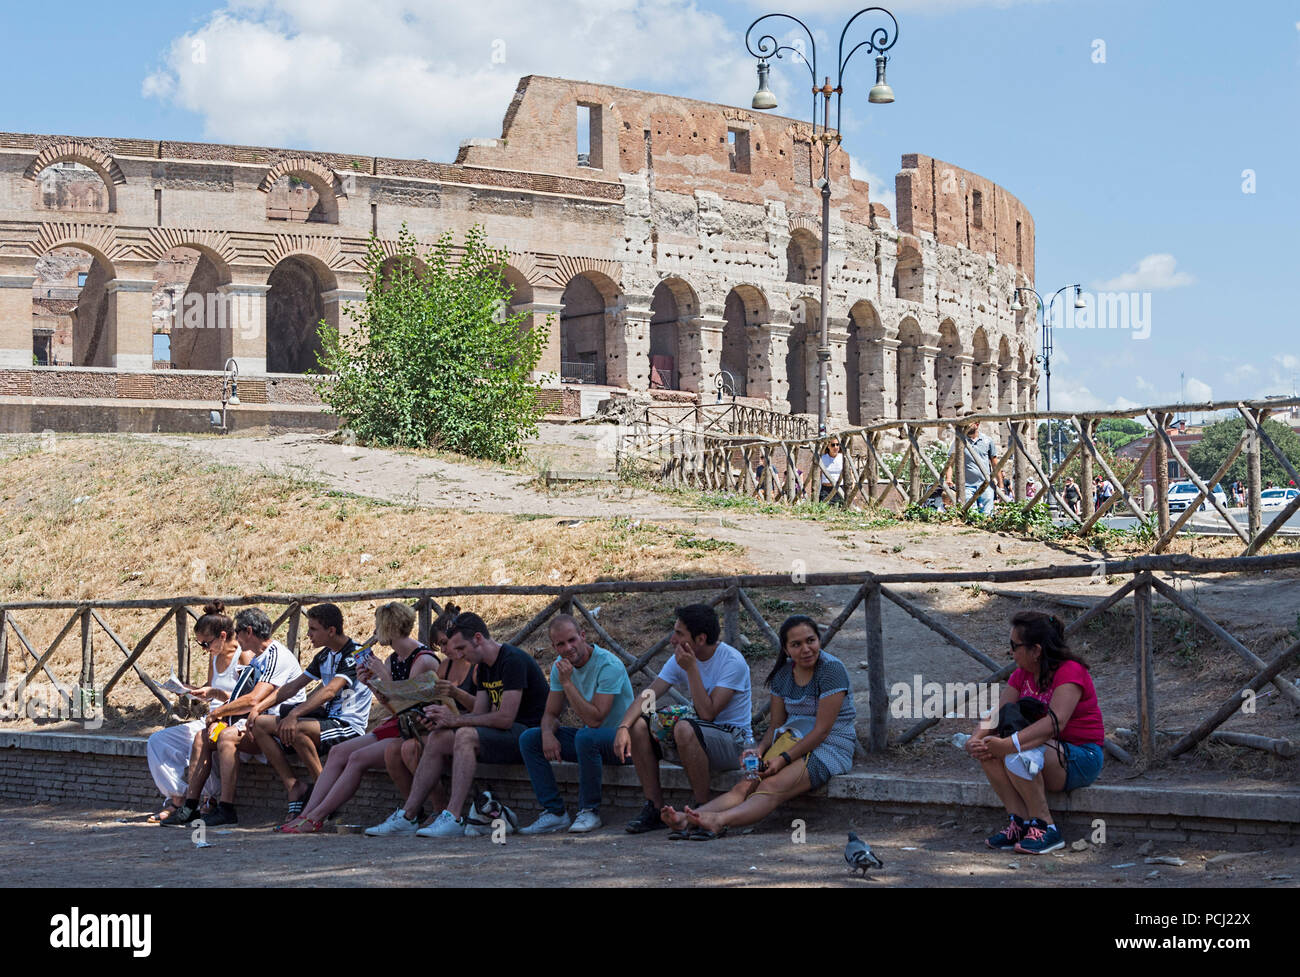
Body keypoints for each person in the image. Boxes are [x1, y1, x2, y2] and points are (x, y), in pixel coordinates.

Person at [660, 615, 856, 840]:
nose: (806, 649)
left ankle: (718, 821)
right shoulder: (782, 676)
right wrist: (760, 751)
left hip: (830, 746)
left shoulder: (831, 670)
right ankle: (688, 819)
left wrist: (782, 759)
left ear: (819, 641)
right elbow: (775, 725)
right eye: (796, 644)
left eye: (811, 641)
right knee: (745, 785)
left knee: (770, 786)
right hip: (789, 741)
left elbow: (821, 731)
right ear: (786, 649)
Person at [365, 611, 548, 838]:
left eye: (461, 648)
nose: (459, 655)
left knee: (465, 735)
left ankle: (453, 816)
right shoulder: (484, 666)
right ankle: (407, 815)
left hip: (529, 735)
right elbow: (479, 712)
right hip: (505, 734)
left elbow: (505, 718)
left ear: (478, 638)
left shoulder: (512, 660)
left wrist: (456, 721)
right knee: (439, 737)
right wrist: (443, 719)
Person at [276, 602, 440, 833]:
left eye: (377, 626)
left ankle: (316, 817)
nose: (374, 632)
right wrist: (373, 685)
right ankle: (307, 814)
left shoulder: (422, 659)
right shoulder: (394, 659)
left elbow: (410, 706)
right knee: (338, 752)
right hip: (400, 724)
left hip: (419, 727)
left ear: (388, 627)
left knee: (356, 758)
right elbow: (392, 707)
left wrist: (383, 678)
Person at [965, 611, 1105, 855]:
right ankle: (1020, 823)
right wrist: (975, 738)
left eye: (1014, 646)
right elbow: (998, 713)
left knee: (1019, 753)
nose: (1010, 652)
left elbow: (1055, 723)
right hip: (1047, 751)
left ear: (1036, 650)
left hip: (1081, 757)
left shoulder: (1070, 671)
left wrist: (1010, 744)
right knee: (988, 749)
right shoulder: (1022, 674)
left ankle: (1046, 827)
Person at [612, 603, 752, 834]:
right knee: (639, 726)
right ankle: (654, 808)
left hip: (733, 742)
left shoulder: (732, 662)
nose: (672, 640)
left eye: (679, 634)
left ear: (700, 639)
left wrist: (692, 670)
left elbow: (708, 713)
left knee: (685, 728)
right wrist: (624, 726)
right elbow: (649, 694)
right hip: (698, 736)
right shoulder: (682, 657)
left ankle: (702, 811)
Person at [165, 606, 306, 827]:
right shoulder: (260, 658)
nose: (235, 638)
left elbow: (253, 700)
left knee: (227, 737)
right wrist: (219, 717)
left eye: (237, 633)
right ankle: (190, 805)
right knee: (202, 737)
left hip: (276, 725)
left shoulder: (276, 656)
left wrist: (218, 713)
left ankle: (226, 807)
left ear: (248, 632)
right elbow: (241, 698)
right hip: (254, 722)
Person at [250, 603, 372, 821]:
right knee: (260, 723)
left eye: (313, 629)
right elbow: (293, 686)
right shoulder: (324, 655)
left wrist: (294, 714)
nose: (308, 634)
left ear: (331, 631)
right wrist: (258, 707)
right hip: (326, 720)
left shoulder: (356, 653)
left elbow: (330, 690)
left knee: (294, 728)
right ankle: (294, 786)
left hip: (348, 726)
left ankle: (323, 797)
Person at [518, 614, 635, 834]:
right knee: (529, 739)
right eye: (560, 644)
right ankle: (554, 813)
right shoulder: (559, 668)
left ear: (582, 636)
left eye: (572, 640)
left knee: (586, 735)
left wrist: (567, 683)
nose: (568, 647)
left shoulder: (608, 665)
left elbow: (595, 719)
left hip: (624, 743)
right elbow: (550, 714)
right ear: (554, 647)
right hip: (590, 741)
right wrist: (547, 733)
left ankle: (589, 811)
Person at [146, 602, 252, 823]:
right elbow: (213, 690)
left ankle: (207, 800)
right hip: (212, 718)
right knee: (158, 741)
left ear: (223, 636)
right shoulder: (215, 656)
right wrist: (192, 691)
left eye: (206, 643)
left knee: (206, 739)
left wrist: (215, 695)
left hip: (234, 720)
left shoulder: (243, 656)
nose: (204, 649)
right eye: (200, 644)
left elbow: (248, 699)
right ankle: (177, 797)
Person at [957, 421, 998, 515]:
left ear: (977, 424)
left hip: (985, 483)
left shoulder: (987, 440)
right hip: (966, 485)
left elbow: (994, 462)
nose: (967, 425)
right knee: (971, 514)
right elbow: (950, 461)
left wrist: (1000, 484)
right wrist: (948, 478)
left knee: (987, 513)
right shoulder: (959, 440)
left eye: (970, 423)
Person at [814, 436, 845, 504]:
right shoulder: (823, 458)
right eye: (833, 445)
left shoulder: (843, 457)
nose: (835, 447)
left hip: (840, 489)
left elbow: (850, 474)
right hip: (826, 489)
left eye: (837, 444)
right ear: (828, 446)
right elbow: (819, 474)